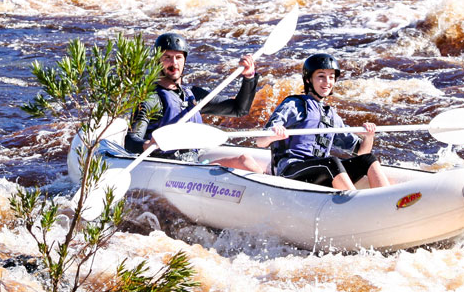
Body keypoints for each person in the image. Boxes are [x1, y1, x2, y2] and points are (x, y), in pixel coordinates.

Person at [126, 33, 264, 173]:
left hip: (193, 163)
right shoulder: (150, 98)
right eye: (167, 57)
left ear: (184, 60)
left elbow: (238, 109)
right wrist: (148, 145)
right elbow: (131, 140)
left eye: (179, 57)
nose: (174, 63)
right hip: (165, 167)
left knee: (245, 160)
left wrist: (249, 77)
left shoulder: (193, 95)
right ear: (157, 61)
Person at [257, 53, 391, 191]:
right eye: (321, 76)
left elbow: (362, 152)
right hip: (290, 172)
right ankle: (354, 203)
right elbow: (260, 141)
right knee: (331, 162)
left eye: (331, 77)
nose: (327, 82)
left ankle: (387, 198)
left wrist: (369, 136)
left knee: (367, 160)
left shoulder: (331, 116)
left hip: (320, 172)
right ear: (309, 79)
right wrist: (274, 134)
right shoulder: (295, 104)